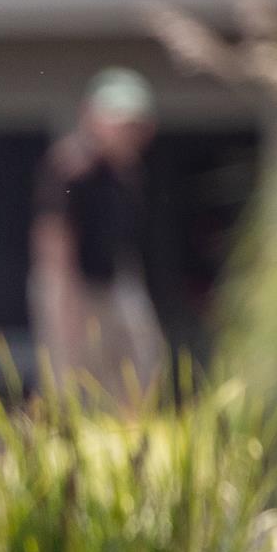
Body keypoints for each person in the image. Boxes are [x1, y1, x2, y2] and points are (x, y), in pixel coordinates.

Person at [30, 68, 170, 401]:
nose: (128, 132)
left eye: (135, 124)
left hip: (113, 283)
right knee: (71, 379)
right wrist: (66, 308)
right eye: (121, 122)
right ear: (92, 117)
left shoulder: (128, 172)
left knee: (142, 366)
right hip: (72, 285)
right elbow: (53, 239)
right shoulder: (71, 166)